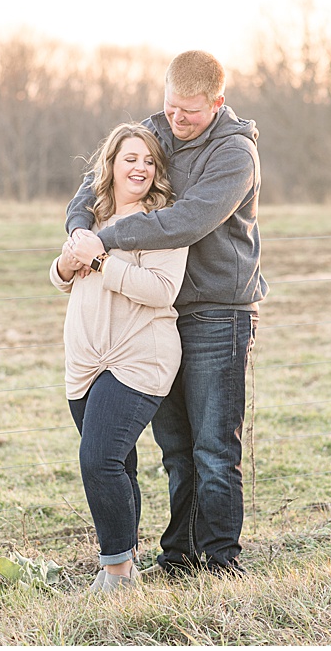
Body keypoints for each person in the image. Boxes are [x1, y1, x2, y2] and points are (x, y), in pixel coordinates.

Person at [64, 50, 267, 578]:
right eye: (171, 107)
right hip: (161, 314)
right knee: (175, 447)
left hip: (218, 311)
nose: (178, 120)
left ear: (217, 103)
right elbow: (92, 187)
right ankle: (179, 558)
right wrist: (79, 233)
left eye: (190, 112)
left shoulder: (234, 154)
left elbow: (185, 221)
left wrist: (105, 242)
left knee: (214, 448)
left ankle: (219, 561)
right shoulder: (156, 130)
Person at [51, 122, 187, 592]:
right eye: (131, 159)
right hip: (86, 360)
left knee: (99, 458)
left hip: (138, 356)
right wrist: (66, 264)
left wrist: (102, 261)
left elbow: (162, 289)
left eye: (149, 161)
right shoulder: (92, 217)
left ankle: (115, 573)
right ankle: (126, 563)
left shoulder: (164, 222)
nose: (141, 168)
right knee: (118, 464)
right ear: (110, 164)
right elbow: (63, 276)